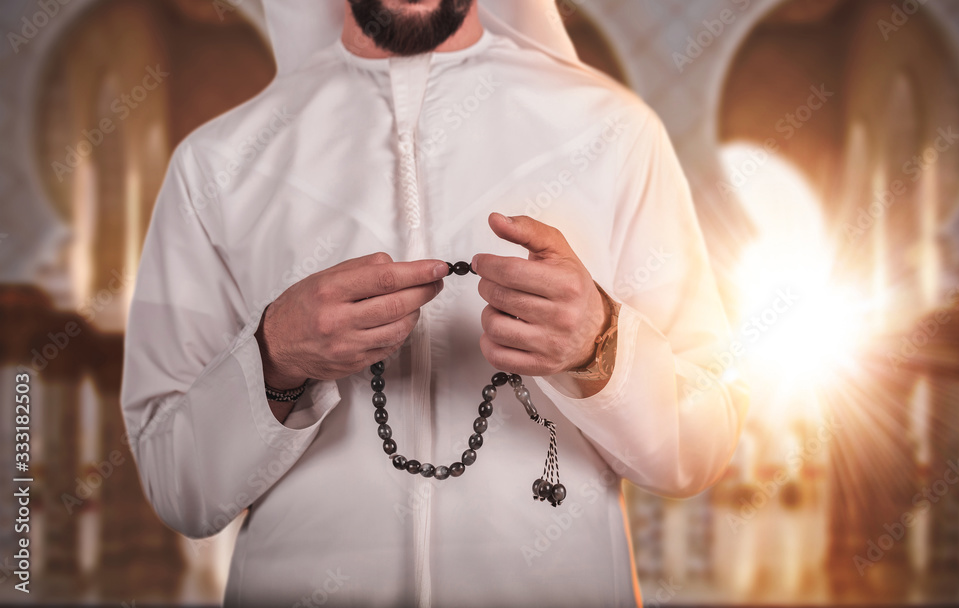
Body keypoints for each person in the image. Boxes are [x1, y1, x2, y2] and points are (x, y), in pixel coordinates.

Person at [121, 1, 748, 606]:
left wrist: (599, 345)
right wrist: (274, 355)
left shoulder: (614, 133)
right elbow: (179, 490)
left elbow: (700, 446)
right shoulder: (217, 165)